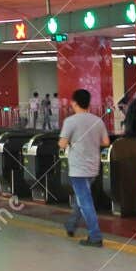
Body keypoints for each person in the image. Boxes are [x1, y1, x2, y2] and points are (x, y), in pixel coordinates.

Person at [59, 88, 109, 247]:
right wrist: (92, 142)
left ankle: (95, 236)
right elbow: (106, 142)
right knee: (82, 199)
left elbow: (62, 144)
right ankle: (71, 225)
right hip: (93, 167)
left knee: (85, 201)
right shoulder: (98, 120)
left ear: (74, 103)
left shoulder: (70, 121)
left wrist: (73, 142)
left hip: (78, 169)